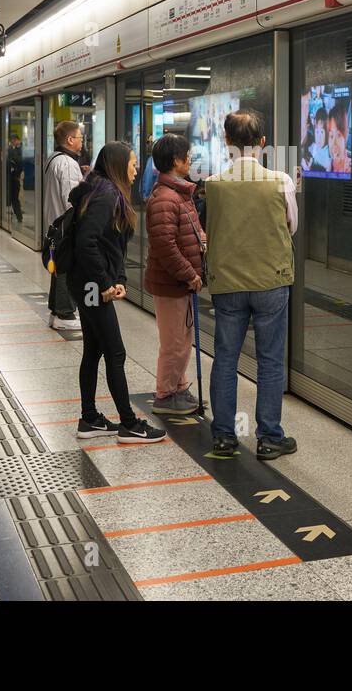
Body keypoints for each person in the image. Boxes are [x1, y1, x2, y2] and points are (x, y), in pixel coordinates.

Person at [204, 109, 298, 461]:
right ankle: (270, 436)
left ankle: (225, 437)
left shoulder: (213, 184)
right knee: (270, 360)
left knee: (226, 358)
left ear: (226, 140)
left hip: (227, 282)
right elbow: (291, 227)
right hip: (270, 280)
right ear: (262, 143)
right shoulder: (281, 181)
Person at [67, 142, 166, 444]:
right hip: (91, 287)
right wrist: (104, 283)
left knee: (94, 350)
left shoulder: (99, 188)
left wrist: (117, 277)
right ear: (119, 165)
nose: (137, 169)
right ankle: (129, 423)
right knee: (115, 352)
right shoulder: (108, 195)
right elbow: (87, 242)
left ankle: (89, 418)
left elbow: (112, 245)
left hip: (85, 284)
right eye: (133, 163)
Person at [144, 134, 206, 415]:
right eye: (187, 155)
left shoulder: (179, 194)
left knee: (183, 340)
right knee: (173, 343)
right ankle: (165, 395)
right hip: (172, 283)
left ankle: (178, 387)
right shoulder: (165, 199)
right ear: (175, 161)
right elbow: (165, 245)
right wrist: (189, 273)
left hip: (181, 284)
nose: (190, 159)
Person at [43, 121, 84, 330]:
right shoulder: (68, 163)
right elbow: (71, 200)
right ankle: (65, 314)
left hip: (53, 223)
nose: (82, 142)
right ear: (70, 140)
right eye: (80, 138)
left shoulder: (54, 159)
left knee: (58, 266)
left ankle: (55, 310)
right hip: (65, 226)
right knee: (66, 267)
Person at [6, 136, 23, 222]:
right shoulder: (14, 150)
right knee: (14, 198)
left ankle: (19, 215)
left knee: (15, 198)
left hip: (15, 177)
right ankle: (18, 214)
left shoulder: (18, 150)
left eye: (14, 140)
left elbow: (19, 162)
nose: (13, 142)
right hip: (14, 177)